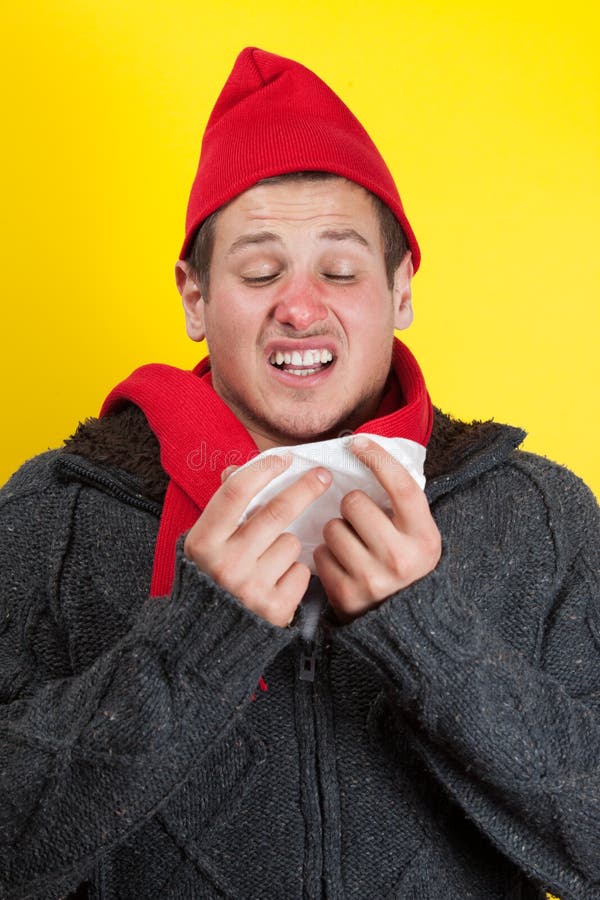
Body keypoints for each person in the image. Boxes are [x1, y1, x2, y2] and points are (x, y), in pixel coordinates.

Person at [0, 47, 598, 900]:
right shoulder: (54, 516)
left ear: (401, 291)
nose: (301, 305)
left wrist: (425, 633)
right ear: (195, 299)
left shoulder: (541, 515)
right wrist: (195, 643)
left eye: (342, 270)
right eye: (258, 270)